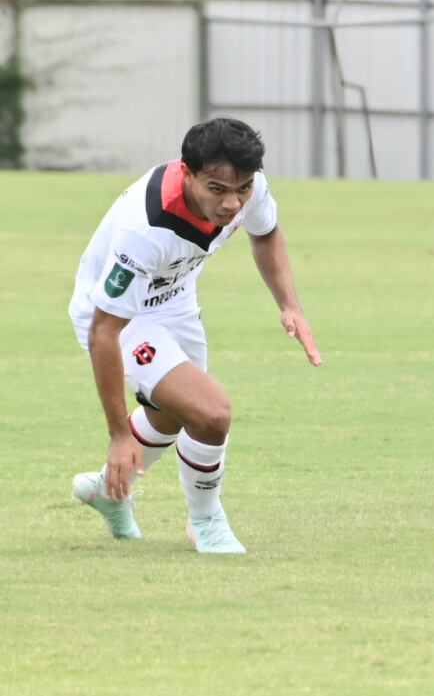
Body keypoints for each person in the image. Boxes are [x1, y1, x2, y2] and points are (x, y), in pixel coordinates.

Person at [68, 117, 322, 555]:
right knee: (211, 414)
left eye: (241, 189)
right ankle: (206, 522)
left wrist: (290, 304)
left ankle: (108, 494)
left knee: (178, 411)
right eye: (217, 189)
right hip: (118, 317)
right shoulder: (145, 229)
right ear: (187, 174)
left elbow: (265, 234)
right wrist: (118, 434)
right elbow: (104, 332)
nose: (231, 203)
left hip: (176, 301)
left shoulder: (249, 186)